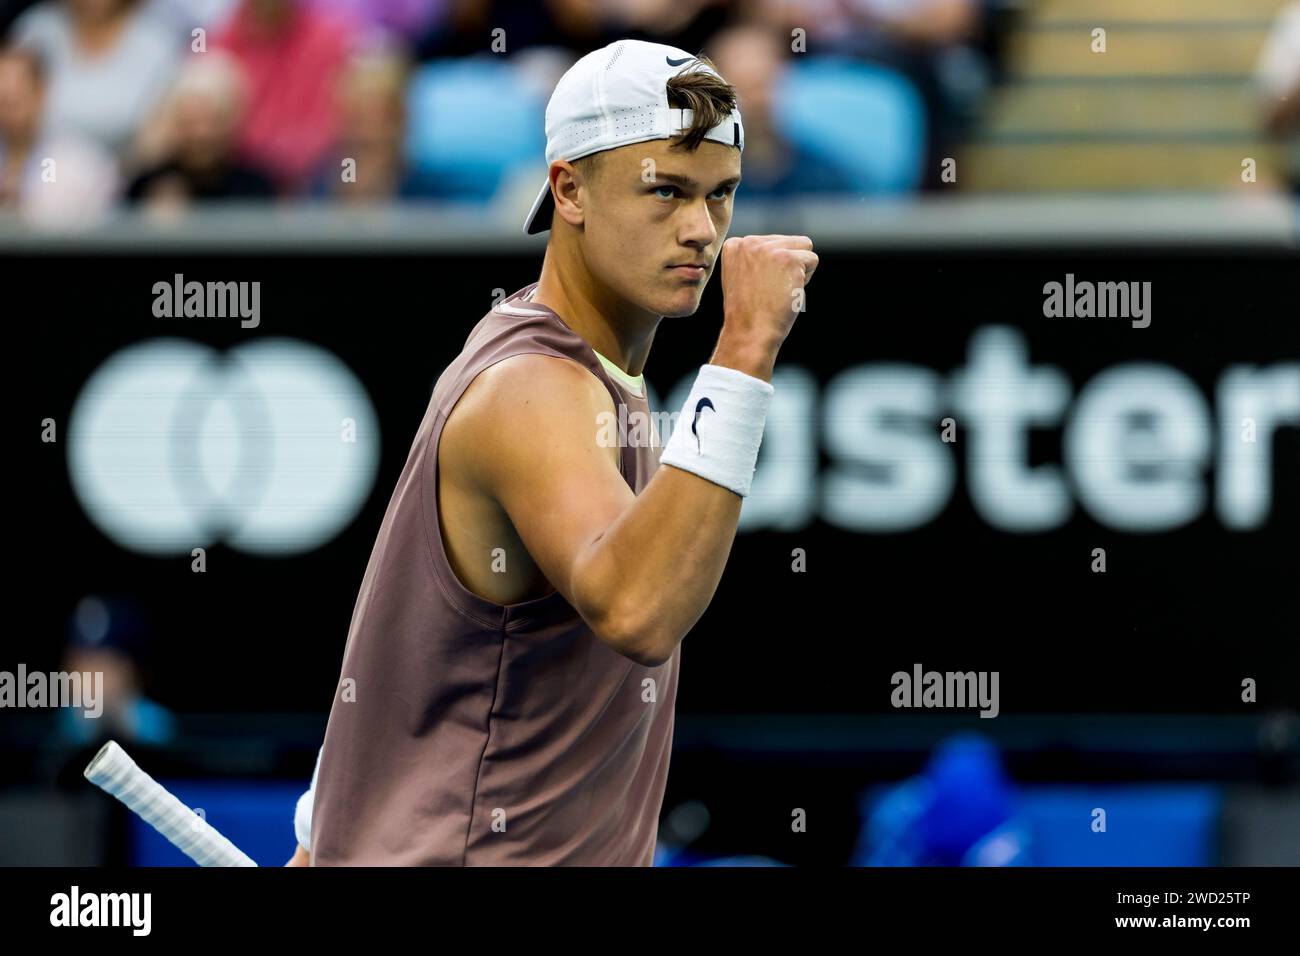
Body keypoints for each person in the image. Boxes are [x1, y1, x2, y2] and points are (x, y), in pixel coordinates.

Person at [286, 37, 817, 867]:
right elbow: (637, 609)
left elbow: (421, 659)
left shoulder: (577, 371)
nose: (701, 231)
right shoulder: (533, 386)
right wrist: (745, 350)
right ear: (569, 188)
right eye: (666, 192)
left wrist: (332, 825)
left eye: (721, 196)